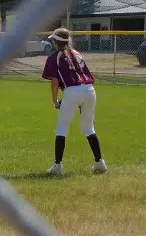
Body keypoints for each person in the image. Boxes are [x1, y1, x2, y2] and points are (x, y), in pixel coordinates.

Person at [41, 27, 106, 176]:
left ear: (57, 41)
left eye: (53, 40)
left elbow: (55, 81)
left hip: (72, 91)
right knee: (88, 128)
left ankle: (57, 166)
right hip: (90, 90)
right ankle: (100, 163)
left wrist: (55, 101)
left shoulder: (55, 56)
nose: (52, 42)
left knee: (61, 129)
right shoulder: (77, 54)